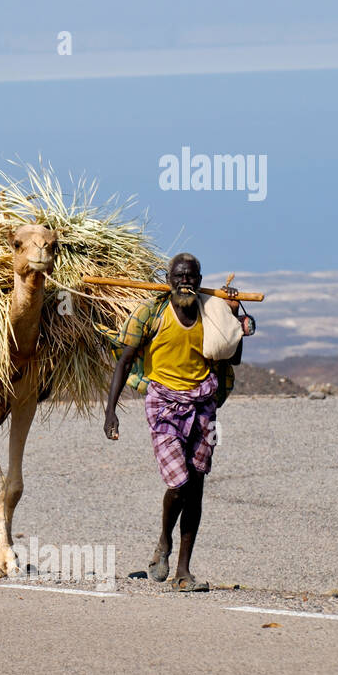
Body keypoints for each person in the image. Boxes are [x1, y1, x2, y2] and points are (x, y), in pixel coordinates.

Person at [103, 253, 246, 591]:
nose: (186, 282)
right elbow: (124, 360)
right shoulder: (151, 313)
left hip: (203, 405)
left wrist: (235, 318)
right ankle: (164, 540)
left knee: (196, 486)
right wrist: (111, 411)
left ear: (199, 279)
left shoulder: (212, 312)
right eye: (179, 276)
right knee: (179, 484)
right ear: (169, 279)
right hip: (163, 404)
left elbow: (234, 357)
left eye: (192, 277)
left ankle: (183, 570)